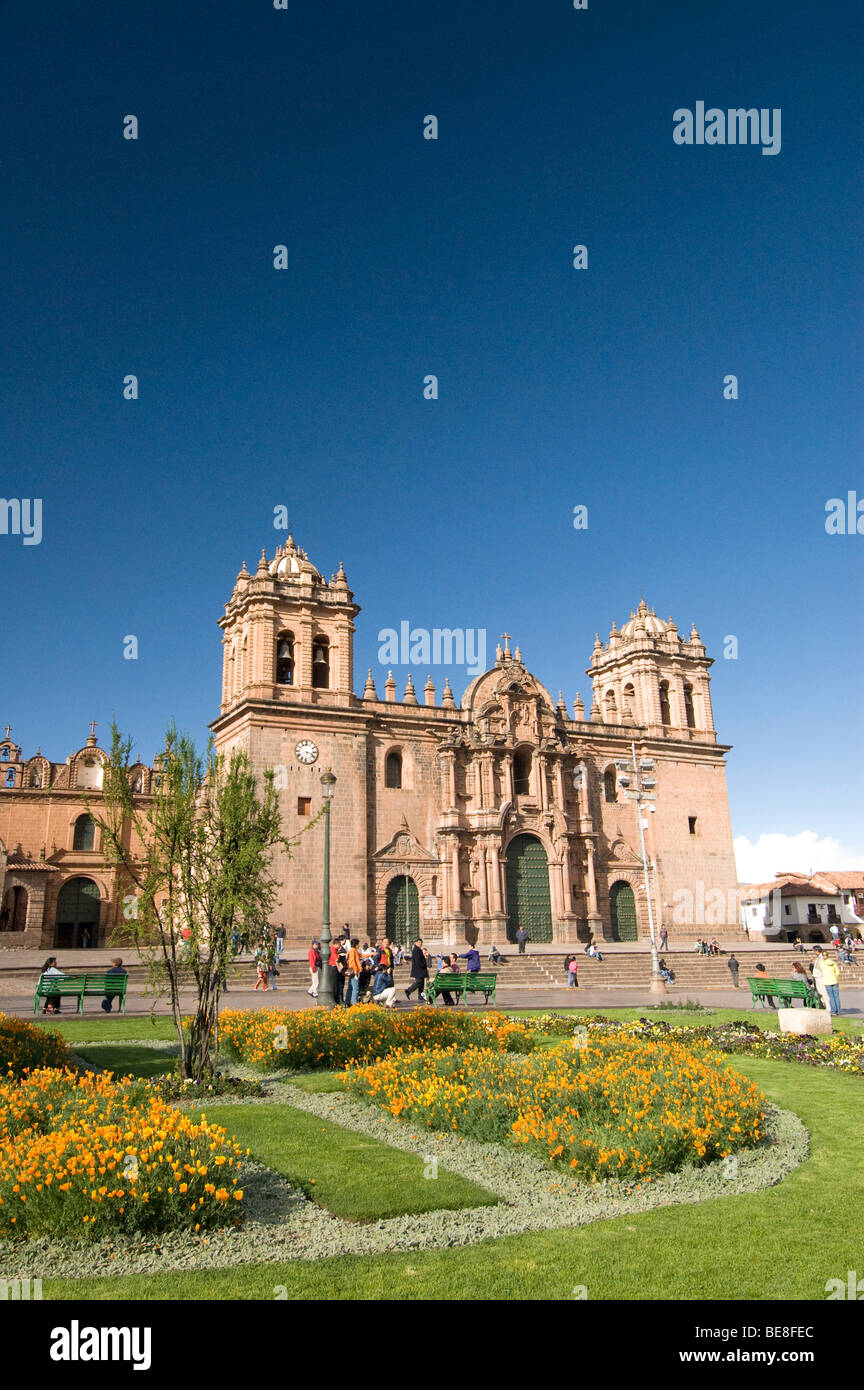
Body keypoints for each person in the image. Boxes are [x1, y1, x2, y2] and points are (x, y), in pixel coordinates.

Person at [344, 937, 363, 1007]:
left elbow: (360, 955)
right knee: (355, 988)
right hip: (354, 971)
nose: (359, 945)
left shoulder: (354, 950)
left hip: (354, 971)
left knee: (350, 987)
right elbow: (352, 961)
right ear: (356, 944)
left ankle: (347, 1002)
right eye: (358, 944)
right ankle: (355, 1003)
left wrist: (370, 954)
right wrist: (355, 971)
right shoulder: (352, 951)